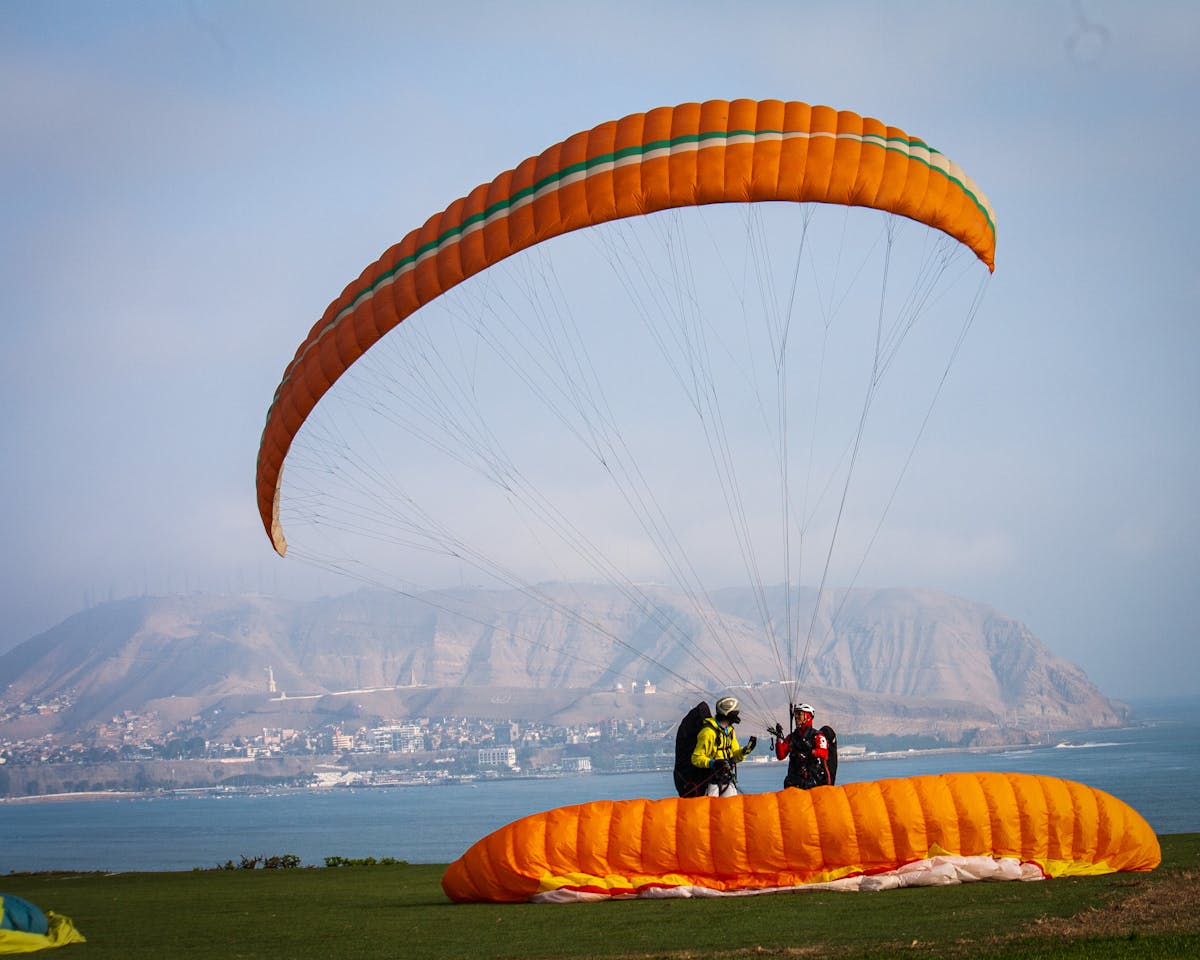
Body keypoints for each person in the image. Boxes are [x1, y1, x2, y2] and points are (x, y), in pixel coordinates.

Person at [691, 696, 756, 796]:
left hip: (727, 778)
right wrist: (713, 763)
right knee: (712, 808)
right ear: (727, 714)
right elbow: (696, 758)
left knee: (732, 806)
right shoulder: (708, 732)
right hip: (711, 780)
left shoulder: (730, 731)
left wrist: (745, 750)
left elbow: (734, 756)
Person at [773, 702, 835, 789]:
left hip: (812, 780)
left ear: (808, 716)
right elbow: (781, 755)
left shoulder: (817, 736)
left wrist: (811, 752)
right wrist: (778, 738)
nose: (797, 717)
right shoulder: (792, 737)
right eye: (796, 714)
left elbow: (824, 753)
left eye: (800, 714)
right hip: (794, 781)